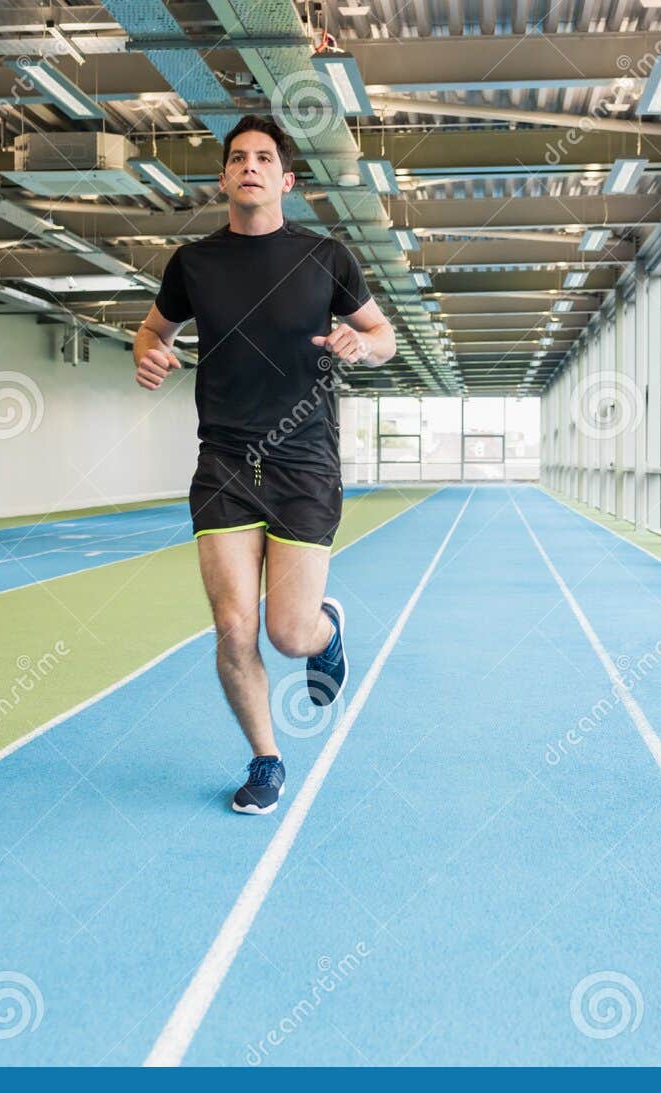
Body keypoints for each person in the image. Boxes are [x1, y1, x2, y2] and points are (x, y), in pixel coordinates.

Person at [132, 114, 396, 815]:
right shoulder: (194, 264)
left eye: (264, 158)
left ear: (285, 179)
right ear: (223, 177)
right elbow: (153, 328)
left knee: (286, 632)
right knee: (232, 627)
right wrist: (147, 353)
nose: (250, 166)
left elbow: (385, 335)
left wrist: (360, 345)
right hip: (223, 460)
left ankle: (326, 632)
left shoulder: (326, 256)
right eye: (237, 157)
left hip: (304, 460)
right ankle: (265, 758)